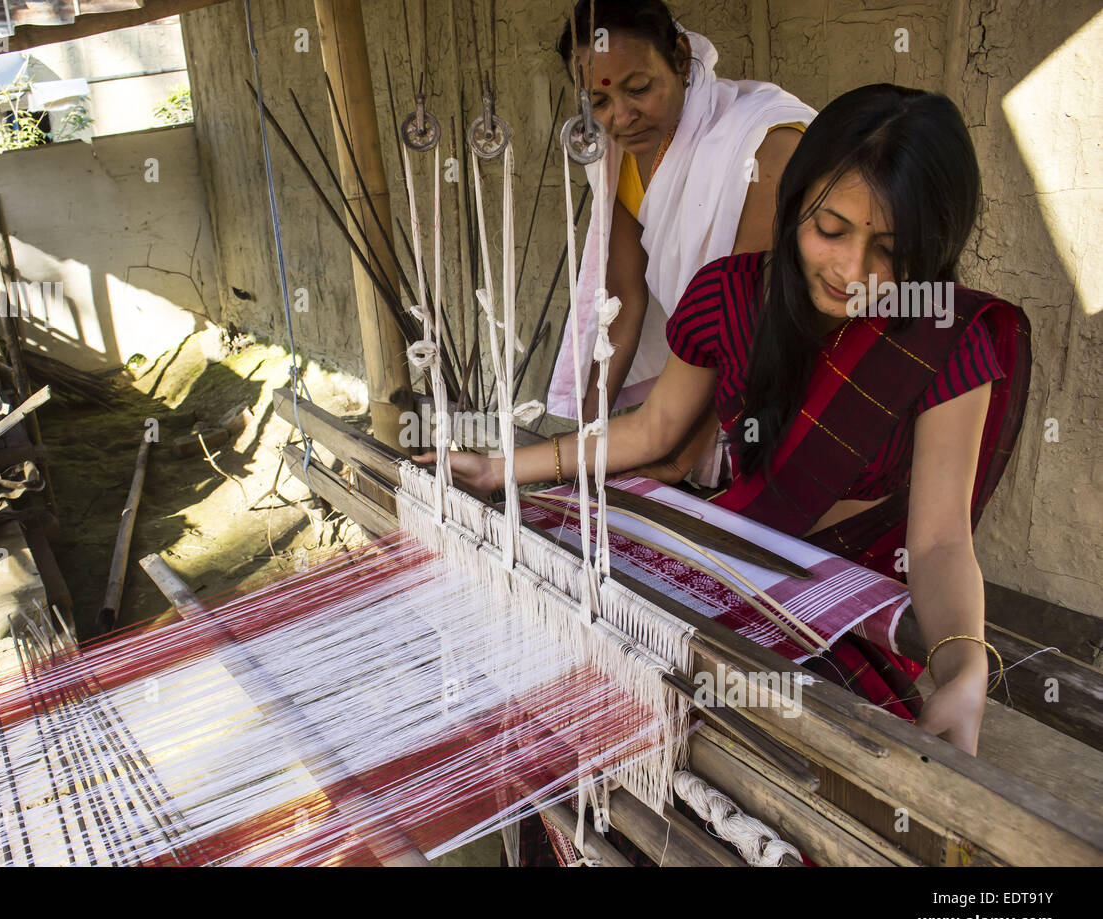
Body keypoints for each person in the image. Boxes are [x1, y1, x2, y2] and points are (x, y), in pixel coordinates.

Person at [422, 84, 1032, 757]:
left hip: (846, 623)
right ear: (795, 198)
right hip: (730, 573)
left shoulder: (944, 336)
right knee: (554, 693)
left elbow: (940, 542)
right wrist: (500, 469)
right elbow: (652, 431)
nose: (852, 270)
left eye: (890, 250)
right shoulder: (729, 295)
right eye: (830, 229)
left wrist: (964, 668)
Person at [547, 0, 814, 486]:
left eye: (640, 88)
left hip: (791, 393)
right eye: (599, 103)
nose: (622, 117)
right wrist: (589, 432)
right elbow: (624, 300)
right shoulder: (620, 157)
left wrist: (676, 460)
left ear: (682, 55)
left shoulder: (758, 145)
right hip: (702, 388)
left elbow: (745, 325)